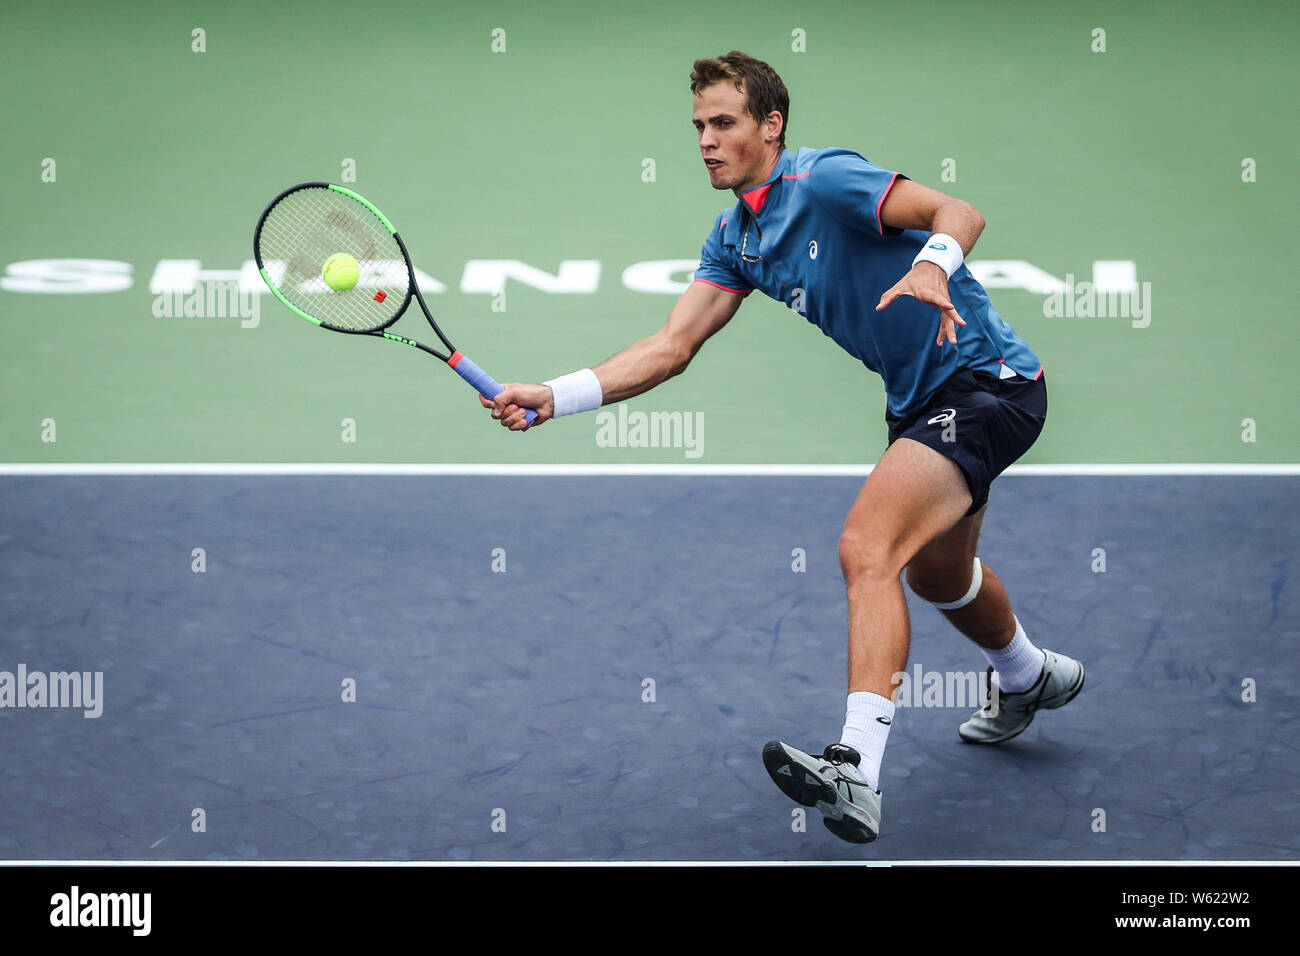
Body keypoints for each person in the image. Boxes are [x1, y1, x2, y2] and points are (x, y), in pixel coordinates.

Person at [480, 50, 1084, 844]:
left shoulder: (823, 180)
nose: (705, 139)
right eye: (698, 125)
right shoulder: (737, 239)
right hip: (920, 402)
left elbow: (960, 213)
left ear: (771, 125)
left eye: (724, 122)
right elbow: (670, 346)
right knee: (937, 570)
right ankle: (1030, 676)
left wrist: (936, 268)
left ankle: (856, 765)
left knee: (867, 548)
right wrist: (556, 395)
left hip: (987, 382)